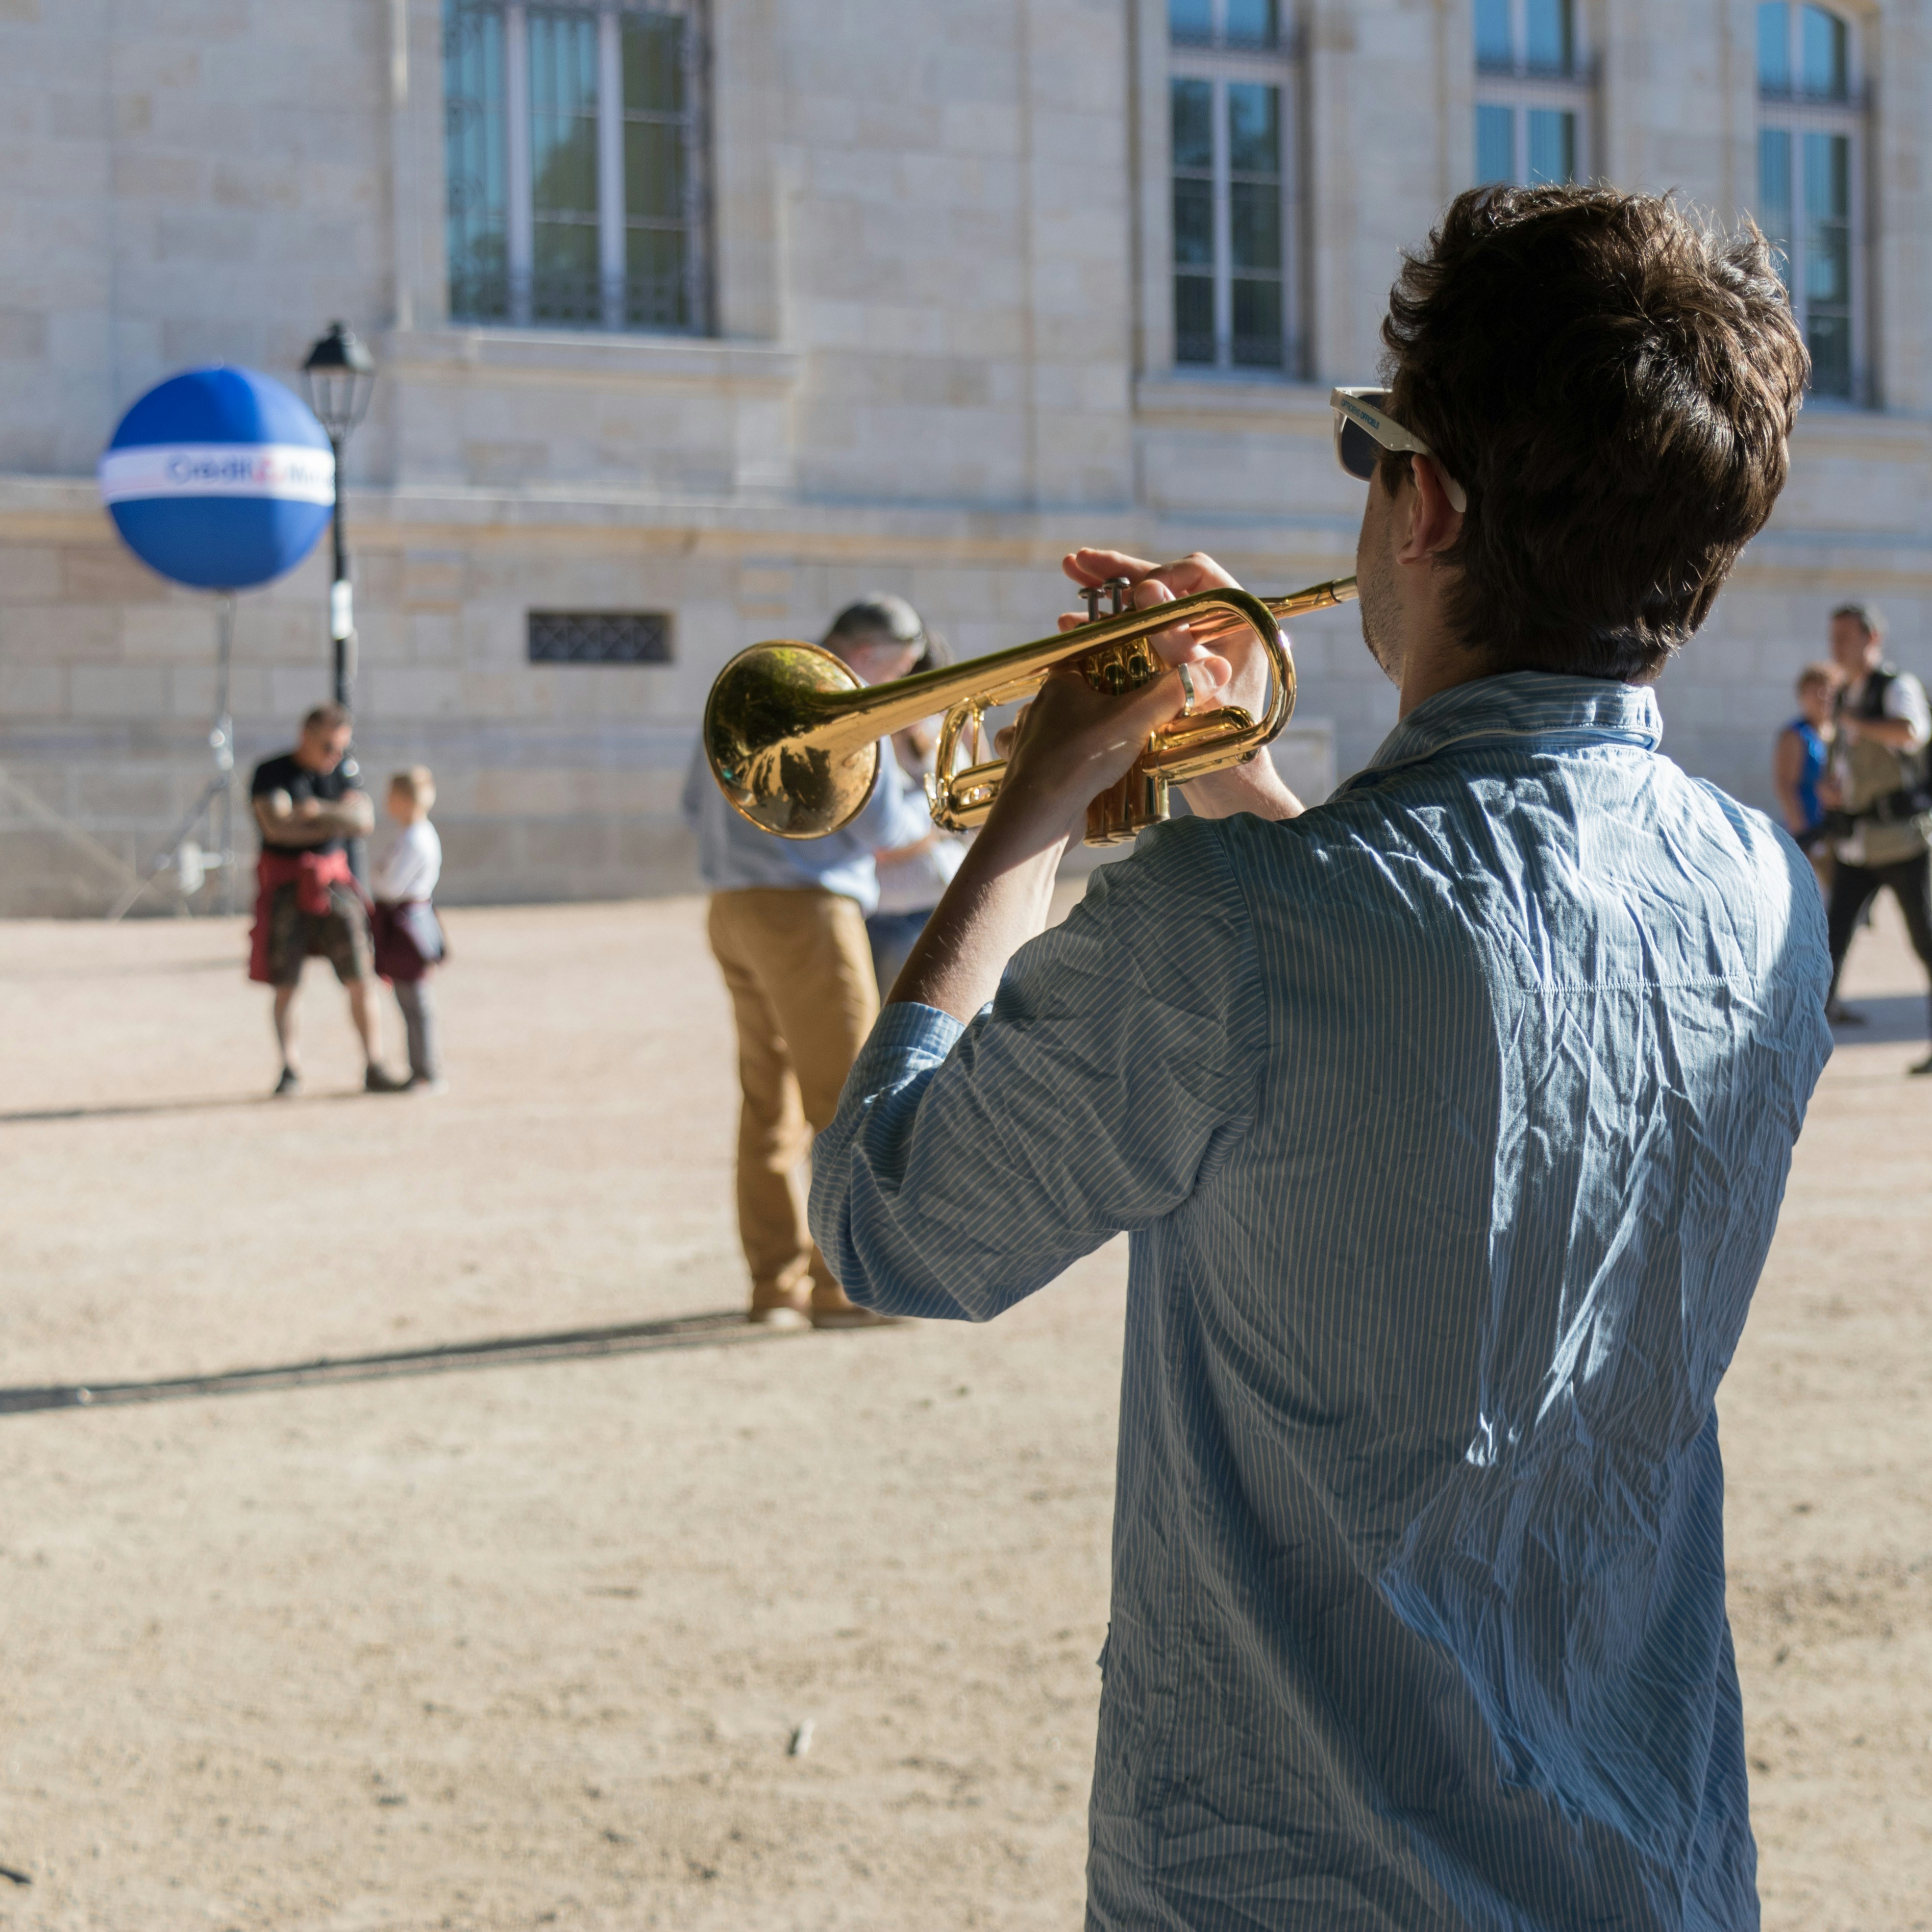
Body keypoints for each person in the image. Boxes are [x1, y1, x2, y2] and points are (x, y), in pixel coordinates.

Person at [809, 186, 1829, 1927]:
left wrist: (1035, 806)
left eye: (1366, 441)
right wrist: (1226, 764)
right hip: (1645, 1863)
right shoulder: (1761, 887)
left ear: (1423, 499)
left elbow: (887, 1218)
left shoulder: (1234, 927)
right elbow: (1426, 1000)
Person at [681, 600, 938, 1329]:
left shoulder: (753, 688)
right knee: (847, 1096)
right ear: (872, 652)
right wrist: (946, 808)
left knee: (767, 1103)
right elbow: (888, 829)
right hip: (808, 910)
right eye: (902, 665)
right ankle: (845, 1285)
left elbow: (689, 800)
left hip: (732, 904)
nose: (905, 679)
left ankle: (776, 1283)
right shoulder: (849, 700)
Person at [249, 704, 405, 1097]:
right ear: (306, 736)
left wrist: (314, 811)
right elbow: (277, 828)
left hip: (336, 887)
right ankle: (290, 1069)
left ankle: (374, 1064)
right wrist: (334, 820)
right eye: (328, 746)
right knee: (287, 983)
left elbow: (363, 822)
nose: (335, 756)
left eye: (341, 748)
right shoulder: (271, 773)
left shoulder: (343, 771)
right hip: (288, 887)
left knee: (361, 977)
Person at [1814, 602, 1932, 1068]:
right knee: (1829, 943)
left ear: (1871, 639)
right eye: (1834, 637)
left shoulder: (1895, 686)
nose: (1836, 646)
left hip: (1902, 841)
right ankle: (1807, 1044)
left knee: (1925, 942)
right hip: (1856, 845)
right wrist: (1831, 786)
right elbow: (1843, 757)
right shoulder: (1845, 695)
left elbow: (1912, 733)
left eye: (1845, 636)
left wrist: (1859, 724)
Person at [860, 611, 968, 994]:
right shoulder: (870, 744)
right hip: (890, 913)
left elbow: (966, 813)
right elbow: (884, 845)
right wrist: (936, 832)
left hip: (945, 903)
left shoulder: (940, 734)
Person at [371, 765, 448, 1093]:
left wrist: (377, 876)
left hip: (407, 921)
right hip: (404, 917)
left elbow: (389, 884)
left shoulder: (417, 838)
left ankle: (426, 1070)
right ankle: (421, 1068)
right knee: (409, 1001)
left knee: (415, 1001)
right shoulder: (412, 834)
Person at [1772, 660, 1840, 892]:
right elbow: (1785, 785)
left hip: (1836, 832)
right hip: (1807, 830)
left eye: (1827, 691)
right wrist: (1803, 835)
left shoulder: (1839, 733)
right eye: (1815, 692)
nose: (1822, 698)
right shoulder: (1796, 734)